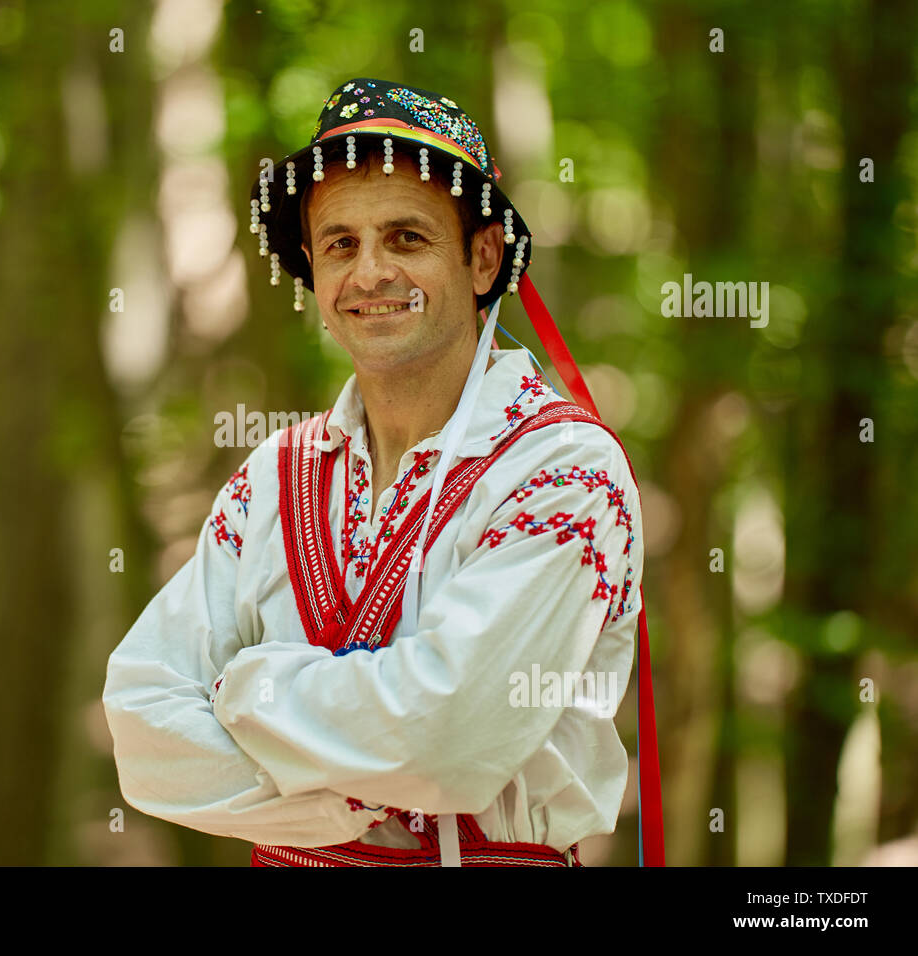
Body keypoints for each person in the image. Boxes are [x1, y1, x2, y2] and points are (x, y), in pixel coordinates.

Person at [103, 78, 663, 867]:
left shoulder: (563, 471)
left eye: (406, 238)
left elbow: (450, 740)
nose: (369, 273)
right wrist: (339, 802)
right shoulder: (275, 475)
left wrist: (248, 687)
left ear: (482, 258)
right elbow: (141, 721)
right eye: (340, 243)